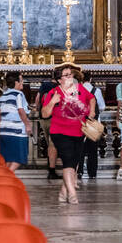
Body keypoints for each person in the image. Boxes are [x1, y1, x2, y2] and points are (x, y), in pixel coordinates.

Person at [42, 63, 96, 205]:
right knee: (67, 161)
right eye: (66, 75)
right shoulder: (53, 93)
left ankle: (63, 192)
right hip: (60, 132)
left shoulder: (80, 88)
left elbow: (91, 98)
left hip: (79, 132)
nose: (70, 77)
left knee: (73, 162)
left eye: (70, 74)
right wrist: (52, 102)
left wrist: (92, 111)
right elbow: (44, 114)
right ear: (60, 80)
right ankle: (72, 194)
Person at [0, 71, 30, 172]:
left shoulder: (2, 96)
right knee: (18, 159)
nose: (22, 82)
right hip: (17, 132)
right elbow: (21, 110)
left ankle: (4, 182)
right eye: (21, 80)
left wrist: (1, 125)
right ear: (16, 82)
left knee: (7, 159)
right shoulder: (19, 94)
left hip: (3, 131)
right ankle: (6, 179)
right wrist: (27, 125)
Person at [78, 78, 106, 184]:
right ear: (90, 79)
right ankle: (92, 173)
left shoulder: (77, 90)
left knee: (79, 148)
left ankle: (79, 171)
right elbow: (102, 106)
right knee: (93, 150)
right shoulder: (96, 91)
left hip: (80, 122)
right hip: (93, 123)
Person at [36, 76, 60, 180]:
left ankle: (50, 167)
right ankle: (51, 170)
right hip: (53, 118)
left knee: (48, 142)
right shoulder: (59, 87)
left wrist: (39, 110)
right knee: (53, 145)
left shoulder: (44, 85)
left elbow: (37, 99)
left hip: (43, 118)